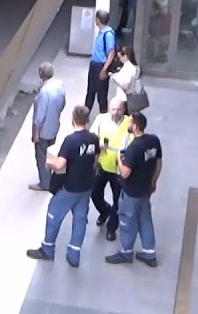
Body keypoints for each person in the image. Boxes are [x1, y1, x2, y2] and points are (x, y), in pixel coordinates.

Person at [26, 106, 100, 268]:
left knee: (54, 214)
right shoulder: (93, 139)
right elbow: (95, 159)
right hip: (86, 186)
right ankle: (74, 254)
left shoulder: (71, 140)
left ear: (73, 118)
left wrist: (48, 161)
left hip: (70, 187)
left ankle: (47, 248)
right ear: (87, 120)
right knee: (80, 219)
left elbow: (60, 165)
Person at [106, 111, 163, 267]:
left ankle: (125, 252)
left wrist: (119, 159)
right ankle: (149, 254)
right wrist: (153, 182)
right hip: (146, 190)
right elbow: (158, 163)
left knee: (127, 222)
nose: (128, 124)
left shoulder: (134, 147)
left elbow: (125, 173)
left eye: (130, 122)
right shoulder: (154, 141)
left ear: (136, 126)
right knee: (145, 220)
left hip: (131, 193)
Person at [88, 97, 131, 241]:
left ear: (124, 109)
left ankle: (111, 228)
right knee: (94, 193)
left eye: (119, 109)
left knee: (118, 201)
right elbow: (92, 134)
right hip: (102, 164)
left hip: (119, 169)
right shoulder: (101, 119)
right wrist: (97, 142)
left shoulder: (129, 123)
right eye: (113, 109)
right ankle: (104, 210)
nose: (115, 112)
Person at [28, 62, 66, 192]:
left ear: (41, 74)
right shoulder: (59, 85)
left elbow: (39, 116)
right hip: (54, 126)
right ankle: (50, 176)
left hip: (44, 131)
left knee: (41, 156)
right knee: (49, 152)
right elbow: (62, 104)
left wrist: (36, 134)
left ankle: (45, 183)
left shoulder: (44, 91)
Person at [85, 9, 117, 114]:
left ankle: (104, 117)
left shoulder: (108, 34)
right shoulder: (101, 33)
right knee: (90, 93)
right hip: (94, 65)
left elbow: (111, 52)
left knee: (102, 96)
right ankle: (85, 116)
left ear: (98, 20)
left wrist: (104, 69)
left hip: (101, 66)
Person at [110, 45, 140, 111]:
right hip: (129, 98)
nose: (120, 60)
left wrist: (116, 79)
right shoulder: (134, 67)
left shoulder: (129, 68)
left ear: (125, 56)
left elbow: (126, 86)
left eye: (120, 57)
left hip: (124, 99)